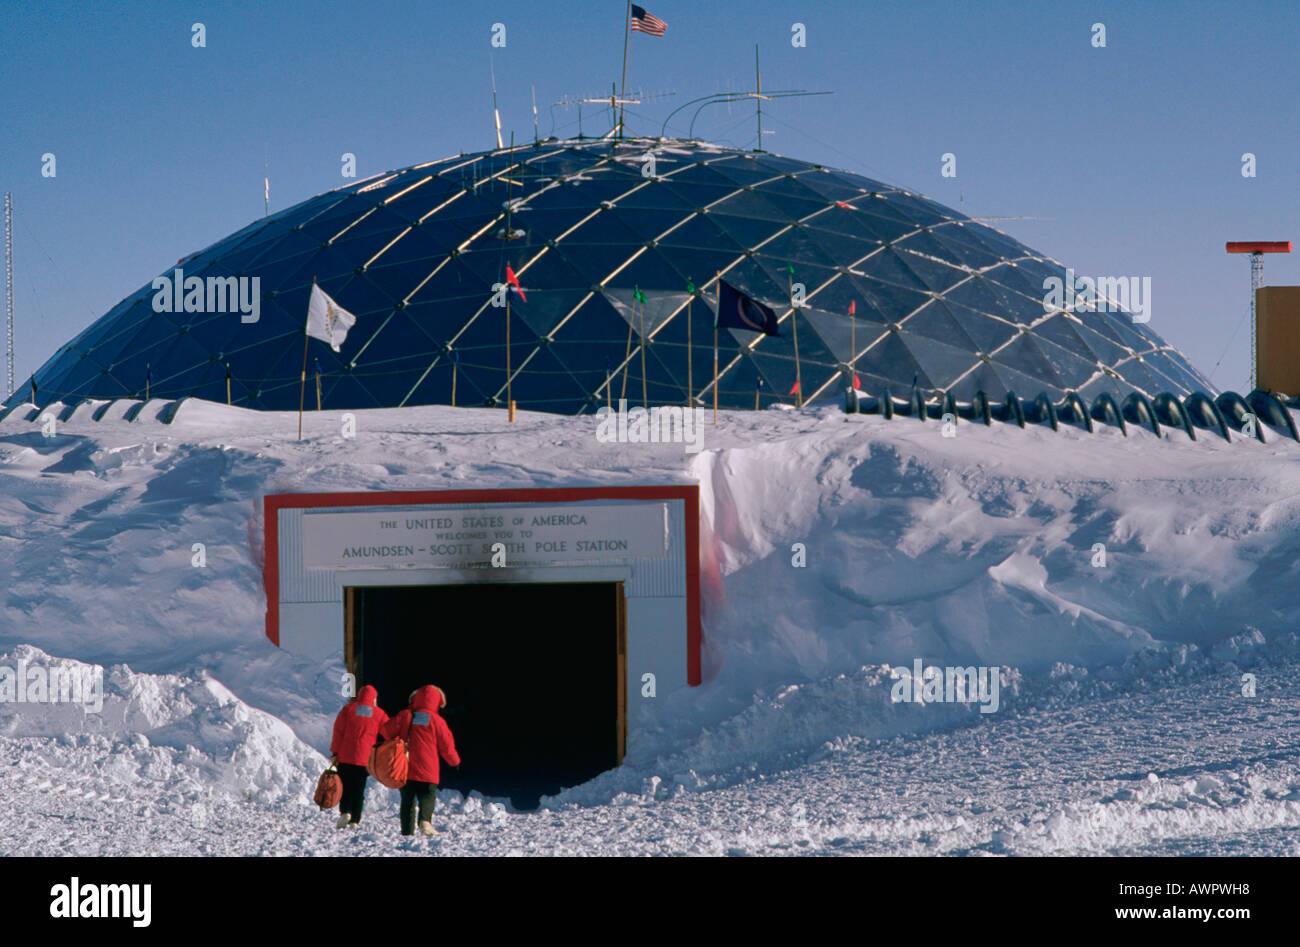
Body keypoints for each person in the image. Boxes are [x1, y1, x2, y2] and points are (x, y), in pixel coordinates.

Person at [379, 685, 460, 837]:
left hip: (405, 767)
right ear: (437, 702)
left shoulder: (405, 716)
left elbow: (385, 731)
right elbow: (447, 747)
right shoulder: (437, 721)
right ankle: (425, 821)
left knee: (407, 801)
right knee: (427, 796)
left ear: (415, 699)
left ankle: (407, 832)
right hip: (428, 769)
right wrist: (455, 762)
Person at [329, 684, 389, 828]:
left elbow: (338, 732)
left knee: (345, 786)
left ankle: (345, 812)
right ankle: (355, 820)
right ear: (374, 698)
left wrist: (335, 752)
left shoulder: (348, 710)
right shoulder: (379, 713)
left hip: (345, 756)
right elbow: (389, 732)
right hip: (365, 759)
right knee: (359, 789)